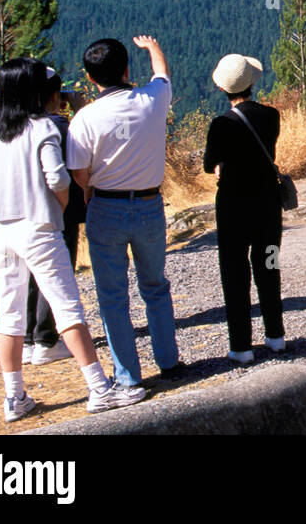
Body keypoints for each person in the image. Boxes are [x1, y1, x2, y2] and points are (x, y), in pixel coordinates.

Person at [0, 58, 147, 422]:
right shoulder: (41, 129)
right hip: (39, 229)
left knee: (9, 315)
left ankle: (14, 397)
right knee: (68, 308)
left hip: (0, 232)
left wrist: (0, 209)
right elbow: (59, 180)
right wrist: (58, 207)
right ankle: (98, 388)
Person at [67, 36, 182, 387]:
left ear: (89, 78)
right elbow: (162, 73)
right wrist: (153, 48)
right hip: (149, 205)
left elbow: (77, 170)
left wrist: (89, 189)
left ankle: (128, 376)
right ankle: (168, 361)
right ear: (127, 69)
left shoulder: (84, 118)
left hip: (105, 206)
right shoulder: (153, 99)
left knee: (112, 297)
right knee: (156, 286)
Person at [203, 54, 287, 364]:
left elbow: (207, 164)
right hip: (267, 204)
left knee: (235, 272)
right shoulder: (271, 116)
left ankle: (241, 346)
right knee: (268, 266)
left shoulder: (221, 124)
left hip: (233, 206)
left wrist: (223, 166)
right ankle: (276, 337)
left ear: (223, 89)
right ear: (252, 83)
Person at [21, 71, 87, 365]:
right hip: (58, 213)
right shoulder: (58, 126)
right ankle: (46, 339)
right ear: (52, 96)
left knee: (30, 275)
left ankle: (26, 338)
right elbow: (88, 142)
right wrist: (79, 108)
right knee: (57, 271)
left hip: (22, 215)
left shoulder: (13, 127)